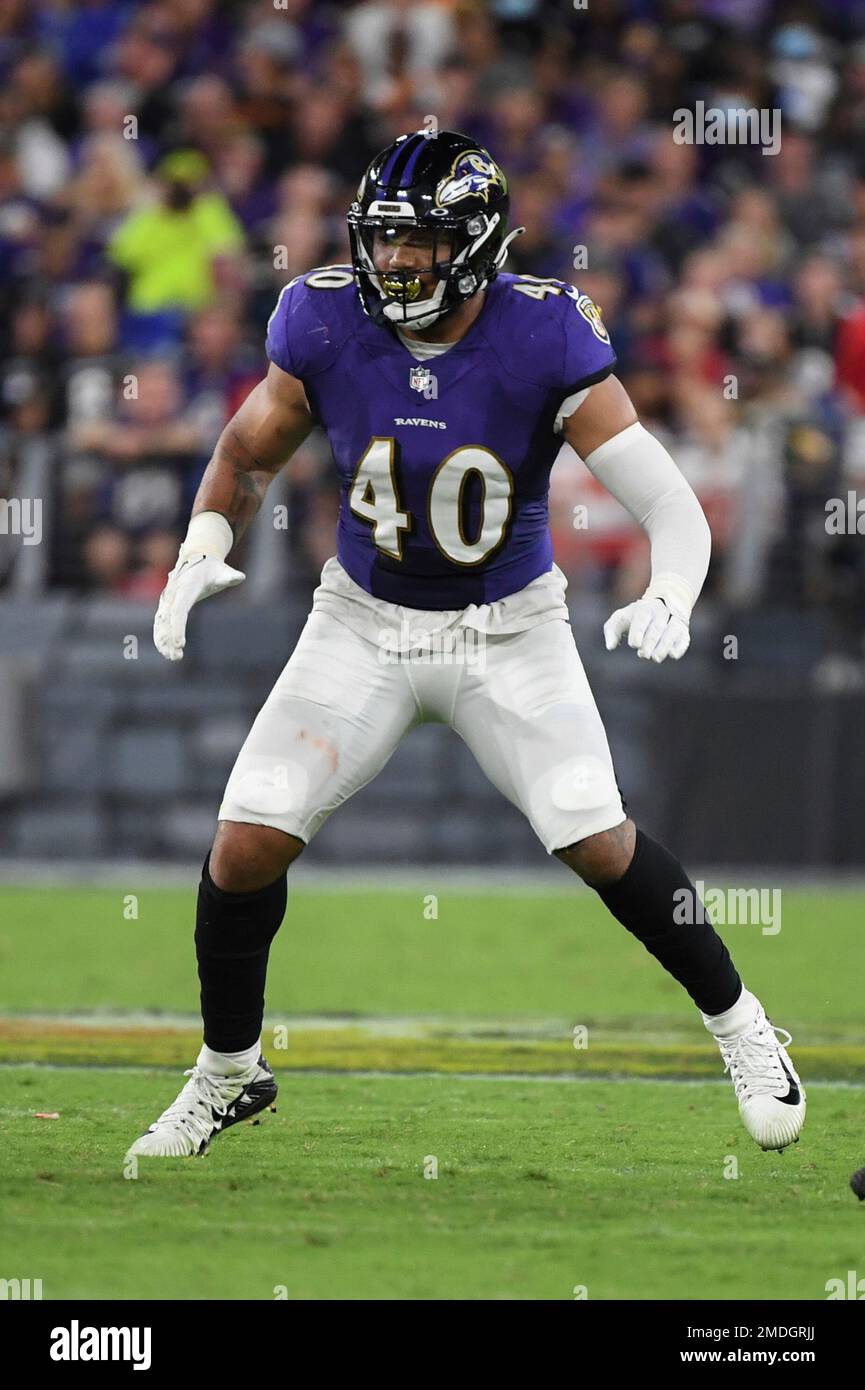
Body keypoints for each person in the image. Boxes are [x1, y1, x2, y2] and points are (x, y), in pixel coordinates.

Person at [128, 132, 805, 1159]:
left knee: (596, 835)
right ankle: (228, 1069)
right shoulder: (321, 315)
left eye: (419, 244)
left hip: (508, 626)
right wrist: (203, 543)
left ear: (478, 244)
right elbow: (244, 449)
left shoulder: (544, 333)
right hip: (359, 619)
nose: (394, 264)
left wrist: (673, 587)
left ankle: (742, 1023)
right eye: (385, 241)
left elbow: (667, 499)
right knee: (246, 837)